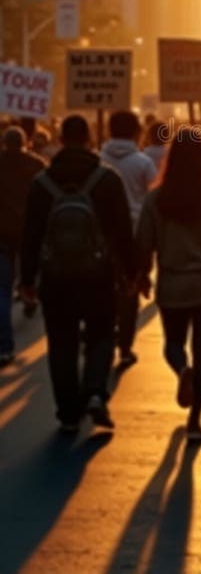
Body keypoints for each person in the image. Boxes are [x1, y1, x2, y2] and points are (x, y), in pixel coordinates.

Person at [20, 115, 136, 432]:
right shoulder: (107, 180)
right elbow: (123, 231)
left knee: (61, 342)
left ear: (61, 137)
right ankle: (96, 391)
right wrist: (131, 271)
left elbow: (30, 234)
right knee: (101, 333)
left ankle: (68, 411)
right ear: (88, 139)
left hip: (55, 277)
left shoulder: (42, 184)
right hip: (98, 274)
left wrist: (27, 279)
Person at [137, 127, 201, 444]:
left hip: (172, 283)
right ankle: (196, 420)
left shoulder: (155, 200)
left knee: (173, 343)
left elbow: (144, 242)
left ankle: (181, 369)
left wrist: (142, 274)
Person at [101, 110, 156, 365]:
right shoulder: (143, 163)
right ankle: (125, 346)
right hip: (135, 235)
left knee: (104, 291)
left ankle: (104, 340)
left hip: (103, 235)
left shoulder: (98, 159)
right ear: (137, 132)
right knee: (130, 293)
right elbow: (152, 201)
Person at [0, 126, 46, 366]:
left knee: (2, 289)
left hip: (2, 232)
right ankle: (30, 294)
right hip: (30, 229)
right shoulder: (37, 165)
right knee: (31, 270)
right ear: (25, 142)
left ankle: (4, 345)